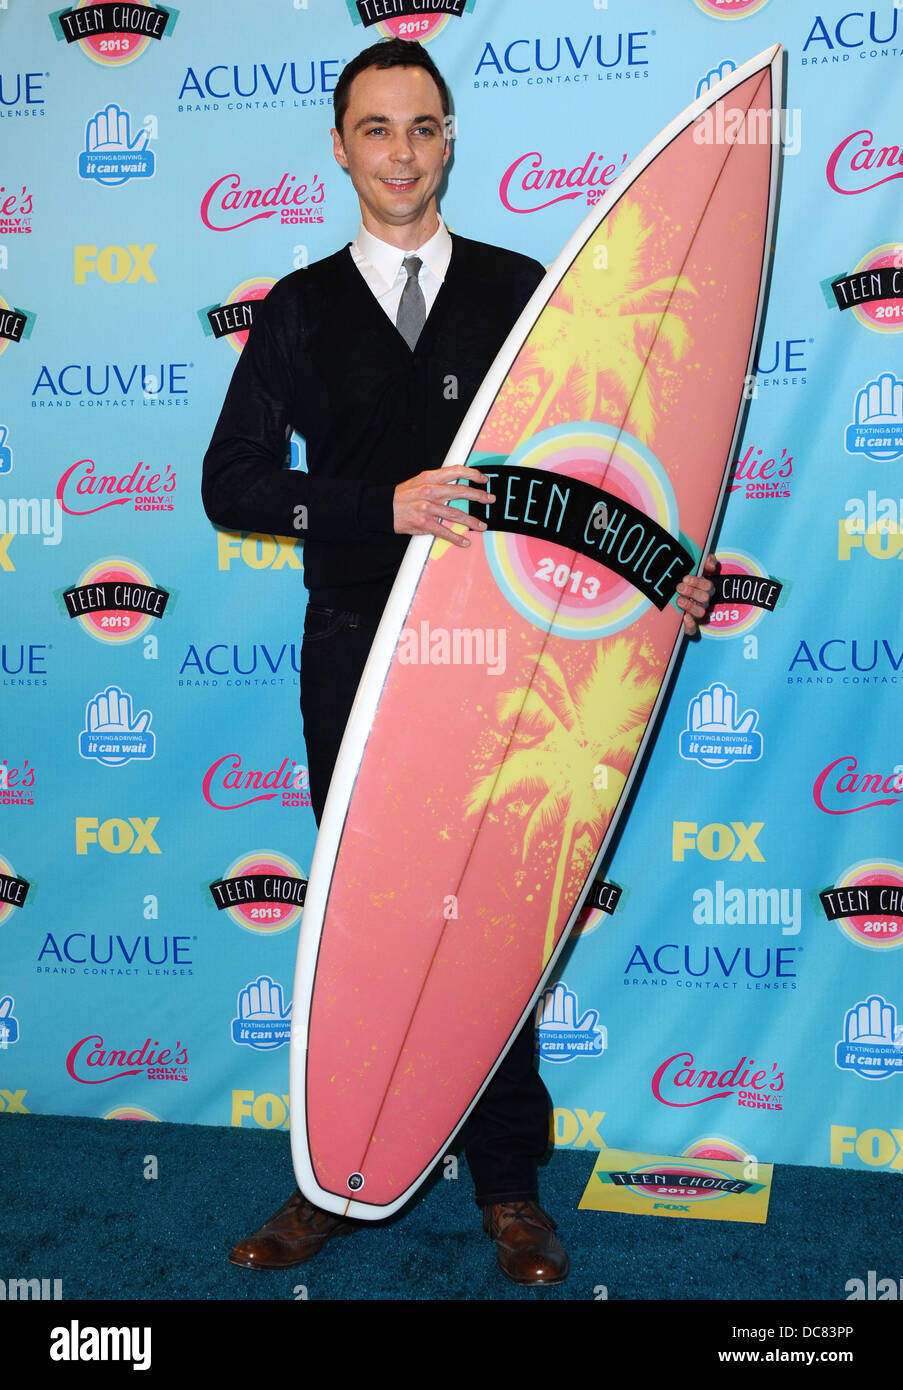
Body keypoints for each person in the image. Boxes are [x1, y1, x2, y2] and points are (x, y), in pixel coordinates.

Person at [203, 38, 715, 1288]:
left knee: (496, 926)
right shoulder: (299, 307)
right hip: (355, 672)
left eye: (424, 128)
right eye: (376, 129)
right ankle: (338, 1177)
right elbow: (233, 486)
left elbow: (583, 469)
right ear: (339, 147)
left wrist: (663, 571)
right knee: (368, 925)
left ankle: (507, 1187)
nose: (401, 153)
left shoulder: (525, 289)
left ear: (451, 141)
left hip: (510, 676)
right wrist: (382, 505)